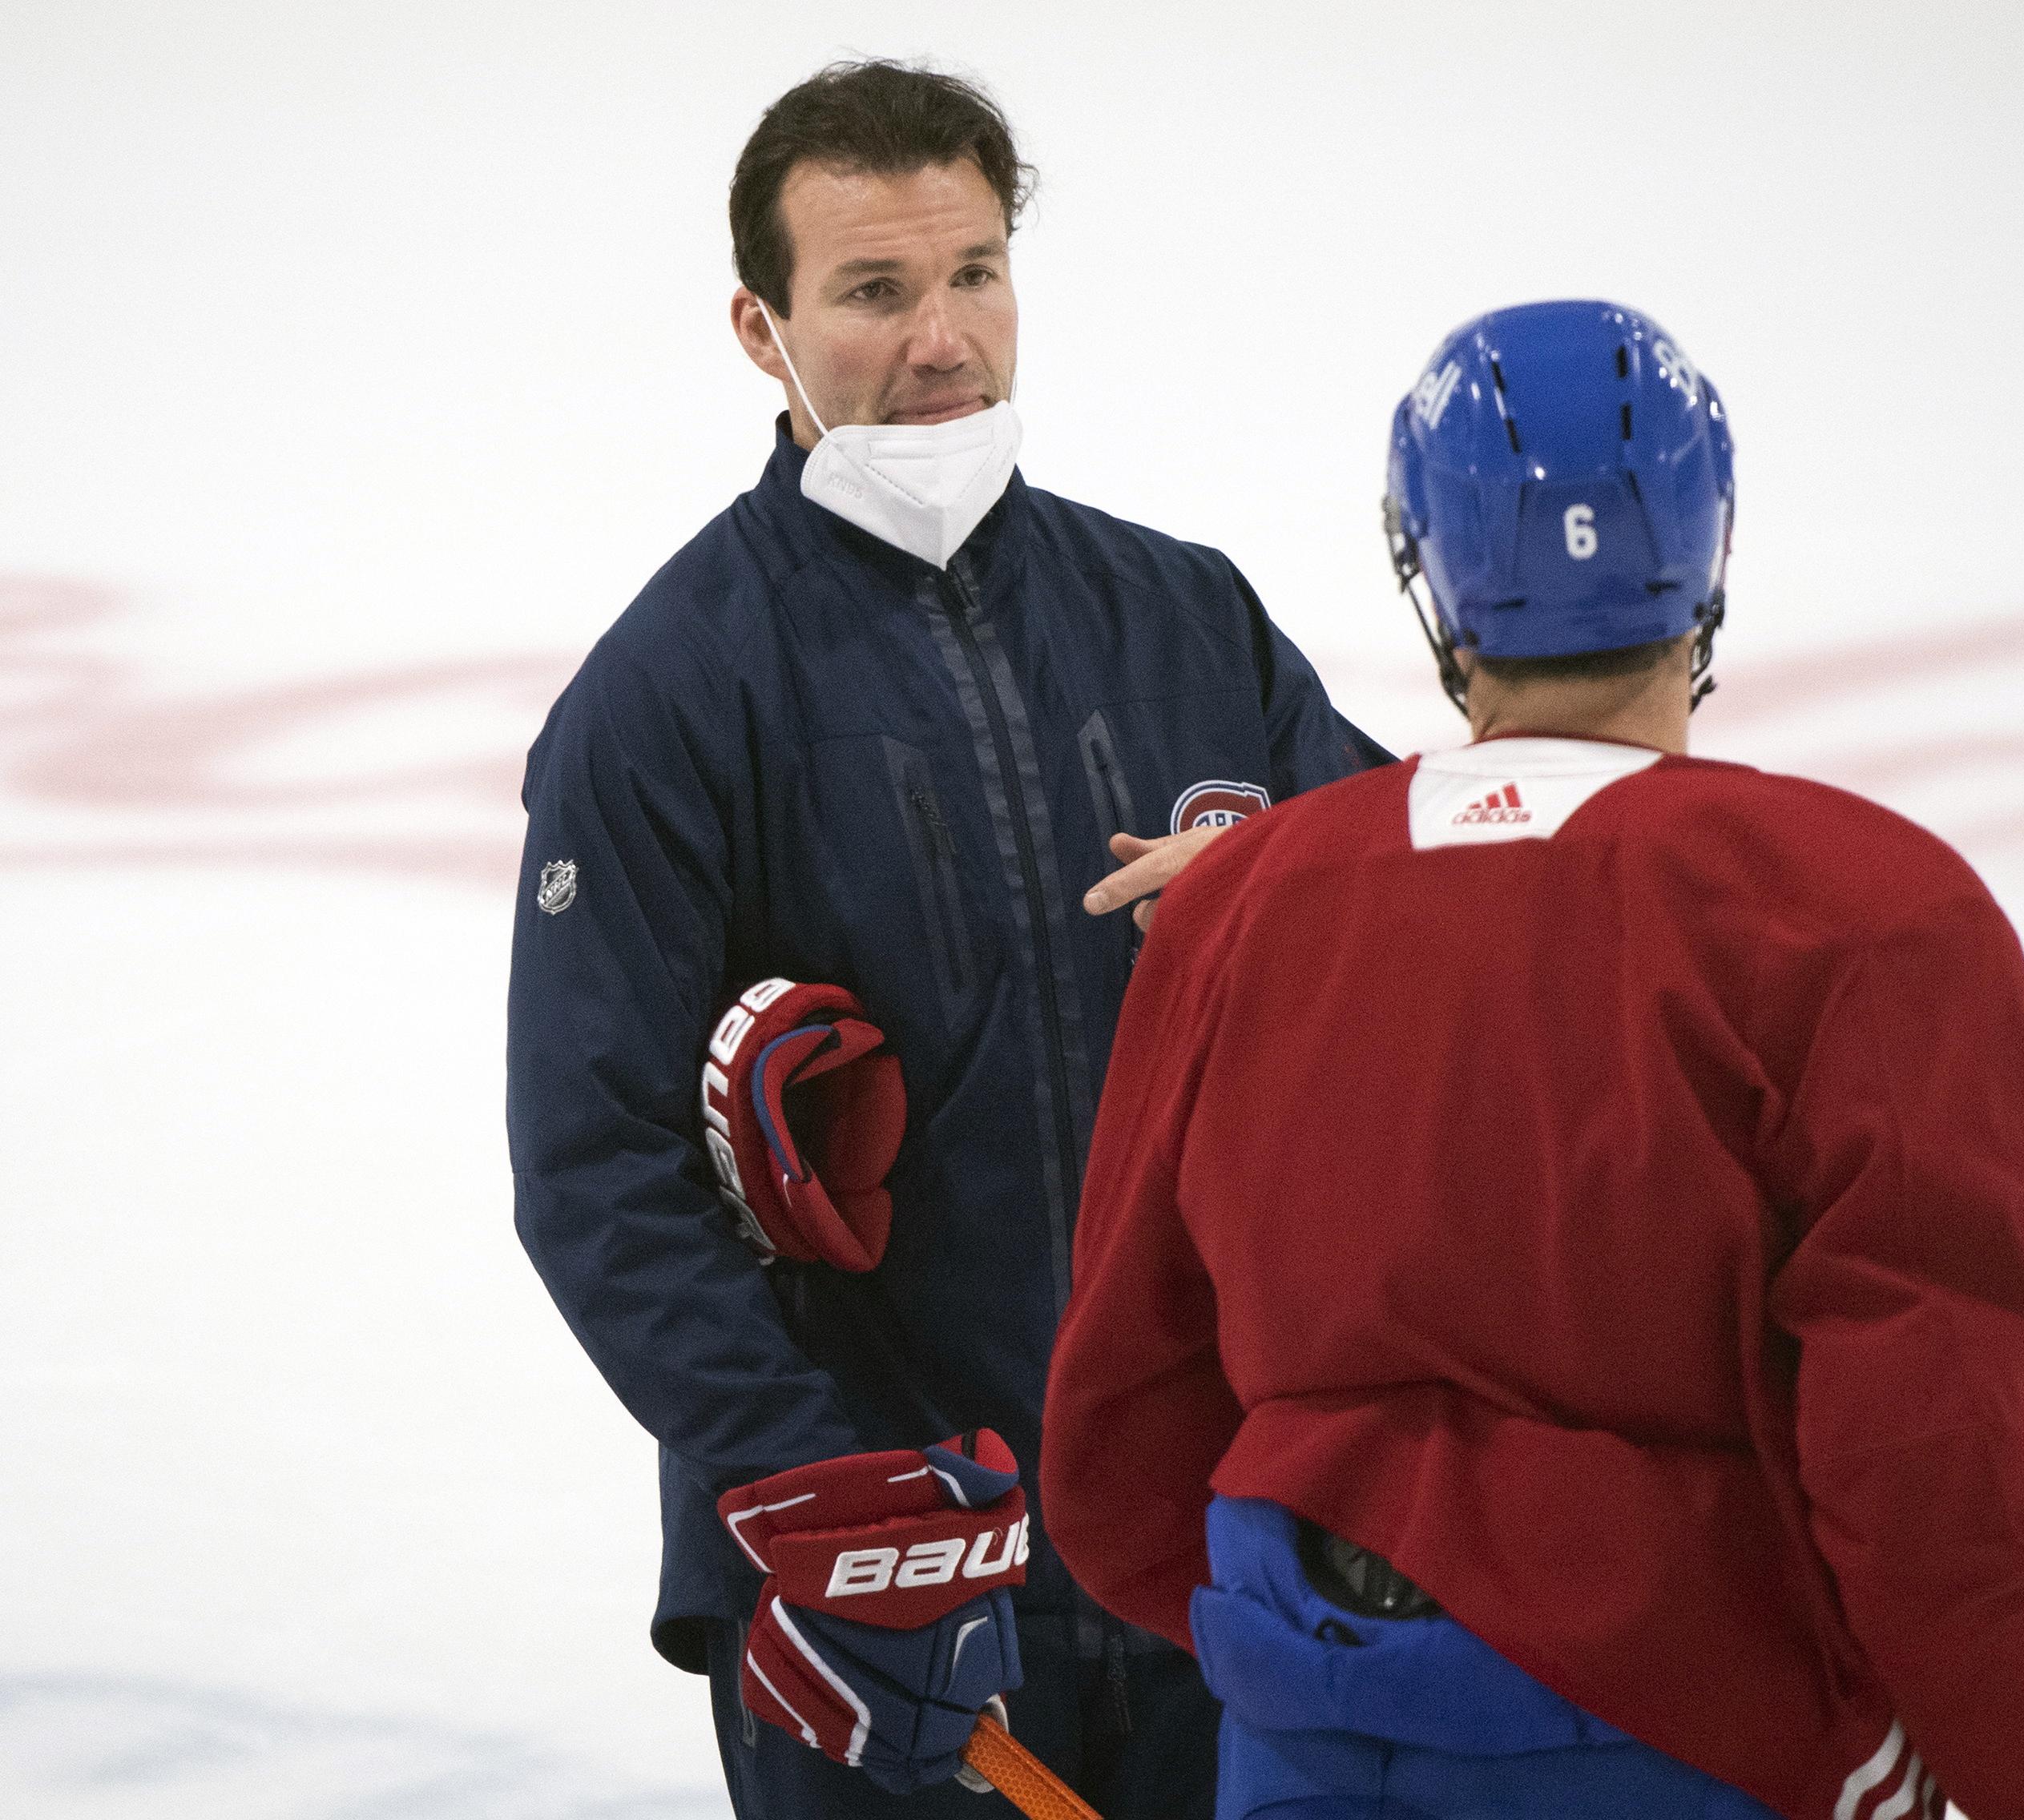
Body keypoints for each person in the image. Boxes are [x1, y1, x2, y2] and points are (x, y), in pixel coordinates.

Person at [1041, 301, 2024, 1820]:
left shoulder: (1241, 906)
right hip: (1696, 1731)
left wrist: (1315, 1652)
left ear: (1426, 567)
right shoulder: (1870, 912)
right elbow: (1937, 1469)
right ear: (1709, 548)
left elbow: (1122, 1432)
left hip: (1300, 1715)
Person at [505, 60, 1382, 1820]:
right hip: (896, 1620)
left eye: (975, 273)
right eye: (874, 291)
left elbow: (1448, 969)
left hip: (1223, 1557)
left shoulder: (1186, 615)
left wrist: (1302, 893)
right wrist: (822, 1495)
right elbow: (593, 1163)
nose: (942, 340)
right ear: (761, 331)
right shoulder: (667, 695)